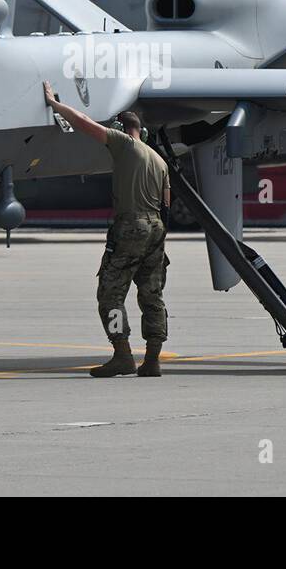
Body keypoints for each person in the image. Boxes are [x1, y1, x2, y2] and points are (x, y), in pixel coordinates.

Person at [43, 82, 171, 378]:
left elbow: (83, 122)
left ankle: (122, 354)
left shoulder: (124, 144)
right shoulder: (160, 160)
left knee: (110, 295)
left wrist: (55, 104)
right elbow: (166, 203)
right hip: (156, 227)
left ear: (120, 128)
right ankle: (152, 360)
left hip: (131, 225)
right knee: (152, 295)